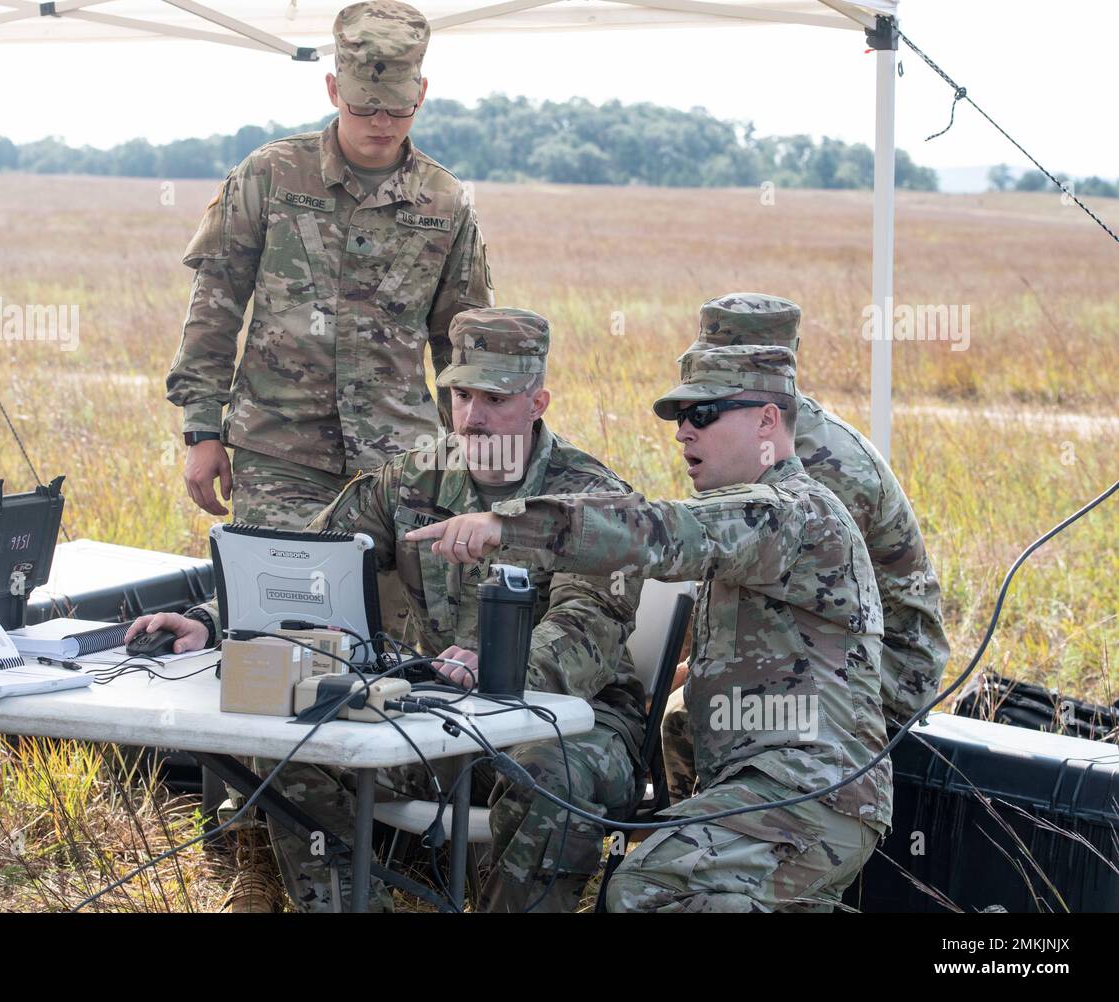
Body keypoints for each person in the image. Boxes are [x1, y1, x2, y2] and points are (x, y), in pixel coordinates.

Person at [134, 307, 646, 912]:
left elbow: (583, 630)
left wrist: (499, 665)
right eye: (460, 394)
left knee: (552, 775)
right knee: (292, 749)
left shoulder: (592, 504)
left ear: (538, 403)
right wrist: (213, 621)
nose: (473, 417)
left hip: (568, 722)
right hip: (438, 715)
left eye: (495, 398)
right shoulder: (413, 481)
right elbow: (311, 569)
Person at [160, 0, 491, 908]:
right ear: (332, 87)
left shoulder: (445, 201)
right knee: (263, 666)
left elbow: (459, 341)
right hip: (278, 455)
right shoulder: (269, 176)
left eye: (398, 110)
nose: (381, 125)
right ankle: (252, 874)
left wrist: (479, 457)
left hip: (400, 471)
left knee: (389, 665)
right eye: (364, 107)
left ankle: (382, 870)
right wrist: (200, 426)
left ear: (423, 94)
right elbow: (214, 306)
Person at [405, 344, 892, 912]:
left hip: (811, 793)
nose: (685, 432)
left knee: (642, 894)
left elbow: (660, 533)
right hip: (777, 789)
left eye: (704, 414)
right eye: (679, 417)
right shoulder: (766, 522)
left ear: (767, 420)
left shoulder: (789, 515)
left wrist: (506, 525)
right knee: (650, 888)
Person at [659, 293, 948, 799]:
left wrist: (692, 676)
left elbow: (821, 614)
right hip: (811, 639)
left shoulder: (828, 467)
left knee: (694, 717)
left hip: (882, 671)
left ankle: (712, 843)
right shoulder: (746, 441)